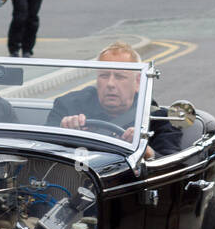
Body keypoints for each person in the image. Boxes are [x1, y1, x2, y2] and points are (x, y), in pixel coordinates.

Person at [45, 42, 182, 159]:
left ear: (138, 82)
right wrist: (64, 133)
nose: (110, 84)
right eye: (104, 75)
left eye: (119, 76)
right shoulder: (68, 106)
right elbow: (42, 150)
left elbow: (172, 166)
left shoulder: (158, 119)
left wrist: (145, 150)